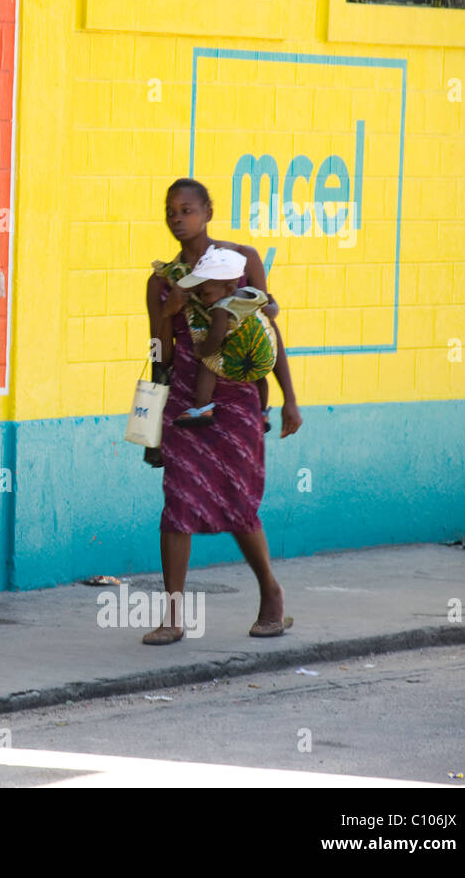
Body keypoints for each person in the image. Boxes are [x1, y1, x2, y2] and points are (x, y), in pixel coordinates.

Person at [141, 178, 302, 645]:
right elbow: (159, 352)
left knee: (239, 500)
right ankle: (173, 616)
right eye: (170, 210)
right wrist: (153, 422)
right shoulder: (161, 281)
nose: (177, 218)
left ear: (208, 211)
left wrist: (288, 396)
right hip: (187, 404)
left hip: (238, 401)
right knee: (178, 503)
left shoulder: (242, 259)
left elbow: (267, 333)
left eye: (187, 209)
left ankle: (270, 593)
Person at [163, 246, 277, 428]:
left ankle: (201, 408)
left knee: (208, 365)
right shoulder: (251, 293)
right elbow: (271, 310)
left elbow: (215, 339)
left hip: (238, 359)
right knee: (260, 377)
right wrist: (272, 308)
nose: (203, 299)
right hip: (265, 357)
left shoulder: (221, 309)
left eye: (205, 293)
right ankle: (262, 413)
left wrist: (201, 350)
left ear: (230, 288)